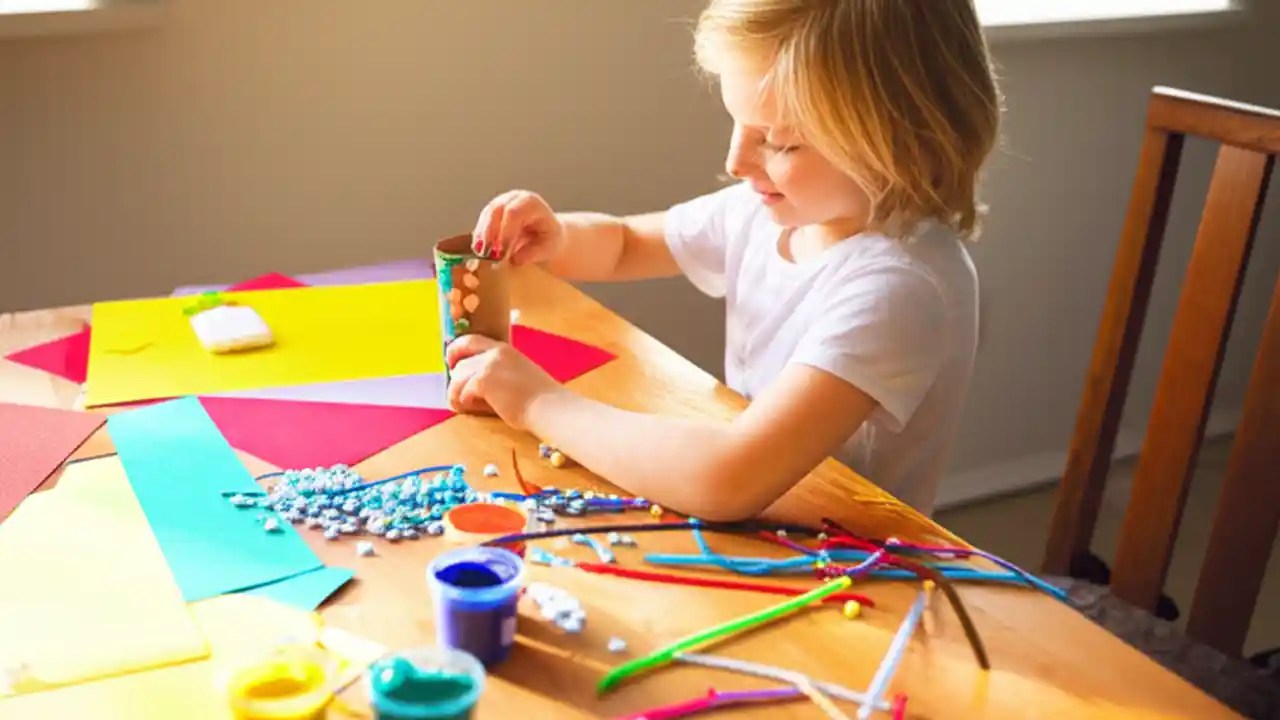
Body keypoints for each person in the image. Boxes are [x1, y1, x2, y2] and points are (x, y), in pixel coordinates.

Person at [446, 0, 1001, 520]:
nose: (736, 161)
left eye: (780, 143)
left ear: (904, 140)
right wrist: (560, 237)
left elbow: (725, 477)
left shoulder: (900, 288)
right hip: (756, 528)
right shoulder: (771, 213)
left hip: (849, 575)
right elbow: (627, 244)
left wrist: (539, 402)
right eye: (738, 121)